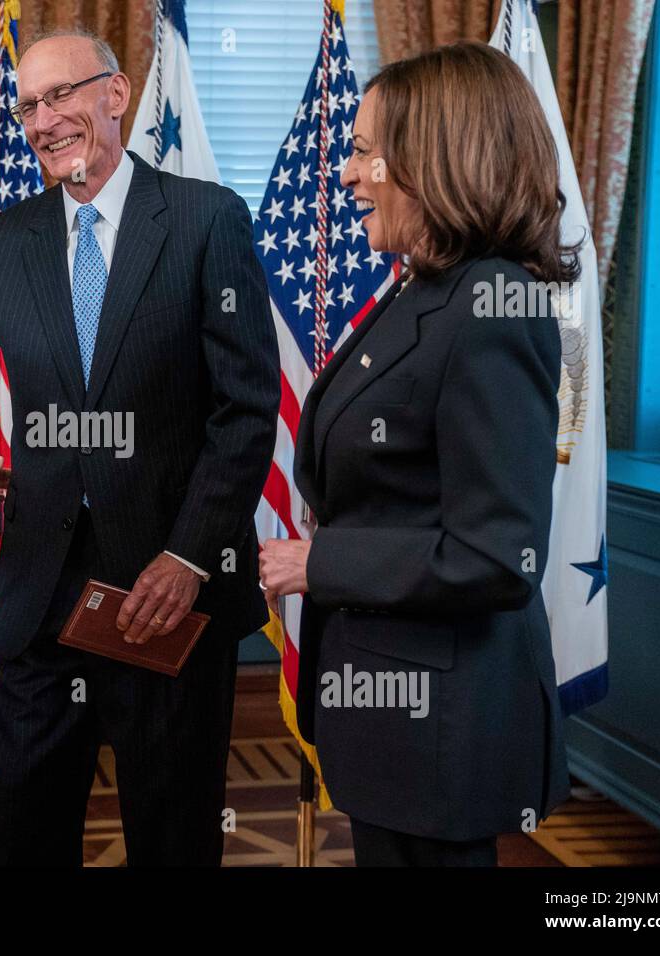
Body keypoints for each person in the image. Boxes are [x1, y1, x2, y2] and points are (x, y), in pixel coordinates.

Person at [0, 30, 280, 866]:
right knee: (21, 838)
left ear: (117, 94)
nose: (43, 121)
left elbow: (245, 412)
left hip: (168, 594)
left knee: (172, 838)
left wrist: (191, 559)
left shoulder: (207, 221)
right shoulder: (5, 241)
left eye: (61, 96)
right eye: (28, 106)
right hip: (41, 596)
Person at [258, 41, 576, 866]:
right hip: (395, 721)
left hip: (443, 729)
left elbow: (500, 558)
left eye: (367, 152)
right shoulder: (428, 285)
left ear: (437, 155)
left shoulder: (492, 305)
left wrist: (321, 563)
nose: (350, 174)